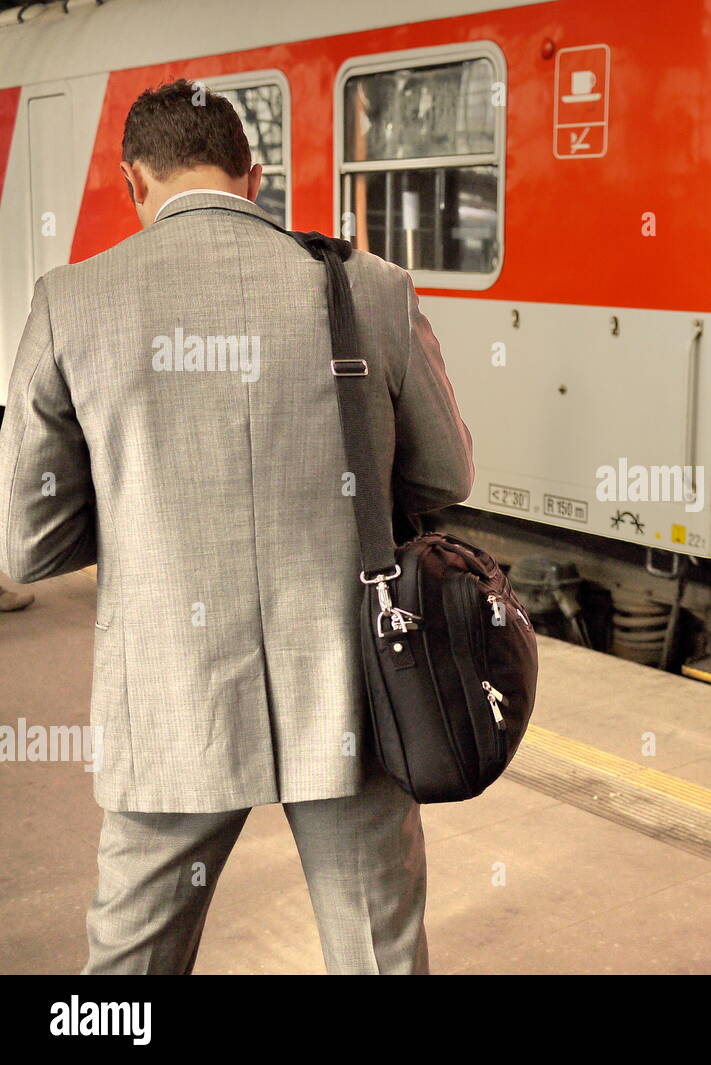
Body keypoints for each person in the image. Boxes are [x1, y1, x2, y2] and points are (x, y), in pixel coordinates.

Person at [0, 79, 473, 974]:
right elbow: (446, 475)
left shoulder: (72, 301)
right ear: (252, 175)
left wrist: (144, 512)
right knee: (379, 957)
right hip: (357, 697)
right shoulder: (369, 286)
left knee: (125, 978)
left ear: (132, 180)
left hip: (170, 705)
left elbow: (25, 542)